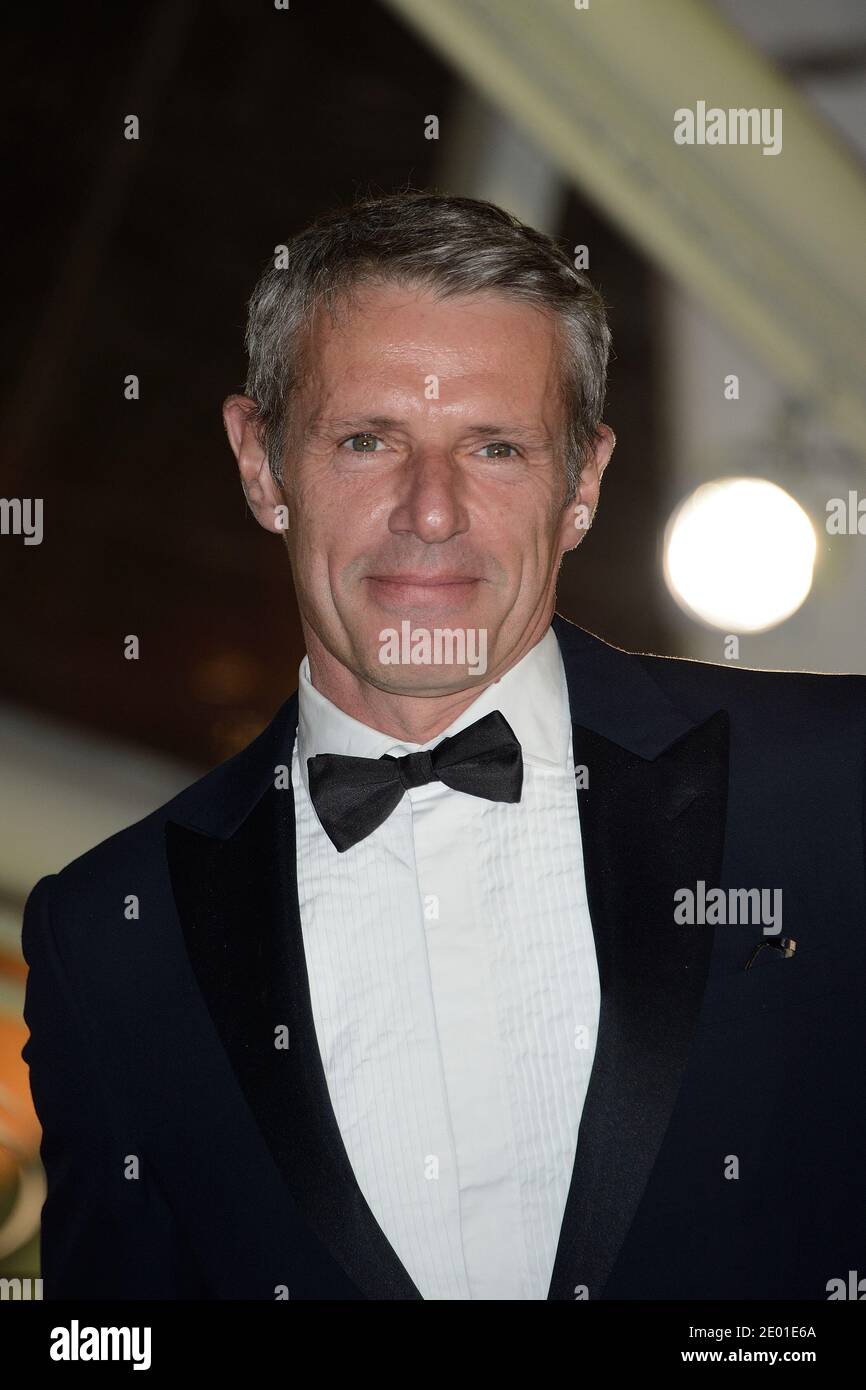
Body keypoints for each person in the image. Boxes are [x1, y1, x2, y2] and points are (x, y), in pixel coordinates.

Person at [21, 191, 866, 1300]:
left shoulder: (830, 785)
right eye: (368, 440)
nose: (429, 510)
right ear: (261, 462)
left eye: (496, 446)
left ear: (583, 483)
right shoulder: (113, 937)